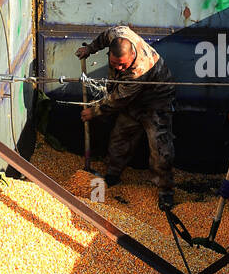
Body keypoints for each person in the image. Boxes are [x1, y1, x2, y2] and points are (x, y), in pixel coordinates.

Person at [76, 26, 177, 210]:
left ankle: (165, 191)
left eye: (123, 65)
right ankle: (113, 175)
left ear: (132, 55)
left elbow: (117, 99)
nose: (119, 68)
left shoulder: (138, 69)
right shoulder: (117, 34)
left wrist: (94, 111)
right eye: (114, 64)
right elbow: (104, 37)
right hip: (132, 101)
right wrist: (89, 49)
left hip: (156, 100)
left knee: (160, 147)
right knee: (120, 137)